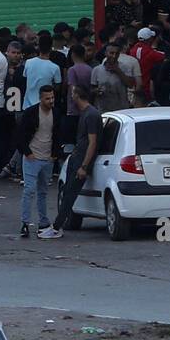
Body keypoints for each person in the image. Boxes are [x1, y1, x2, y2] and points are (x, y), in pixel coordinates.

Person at [39, 85, 99, 239]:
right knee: (66, 193)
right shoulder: (85, 113)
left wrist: (84, 166)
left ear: (78, 95)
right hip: (77, 157)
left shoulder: (91, 115)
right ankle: (58, 225)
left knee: (70, 194)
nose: (71, 96)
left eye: (73, 93)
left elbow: (93, 142)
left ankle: (57, 227)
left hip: (82, 160)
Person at [15, 85, 57, 238]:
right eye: (47, 98)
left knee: (43, 191)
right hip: (32, 156)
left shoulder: (56, 113)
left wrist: (54, 155)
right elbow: (20, 134)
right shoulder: (31, 113)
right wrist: (27, 152)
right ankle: (25, 223)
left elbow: (57, 134)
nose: (51, 101)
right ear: (40, 98)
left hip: (47, 158)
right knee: (29, 190)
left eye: (52, 98)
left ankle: (43, 222)